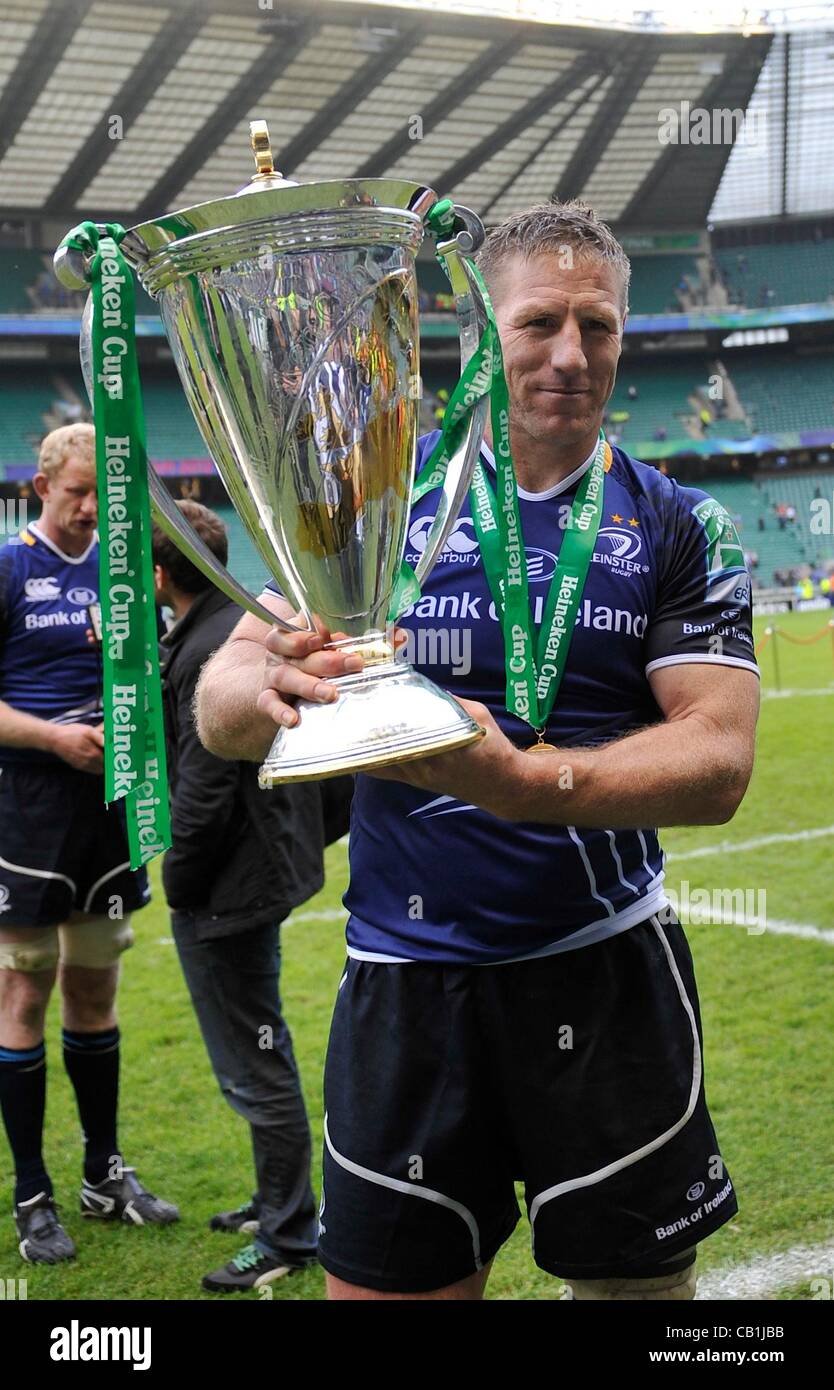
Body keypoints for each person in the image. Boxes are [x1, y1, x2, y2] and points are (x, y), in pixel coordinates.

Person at [195, 200, 760, 1302]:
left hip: (606, 976)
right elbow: (221, 704)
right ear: (477, 337)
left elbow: (719, 759)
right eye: (538, 322)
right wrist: (259, 681)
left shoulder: (684, 524)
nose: (569, 353)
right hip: (408, 989)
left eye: (597, 326)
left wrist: (516, 782)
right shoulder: (369, 495)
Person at [0, 424, 178, 1266]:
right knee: (26, 993)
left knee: (96, 994)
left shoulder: (122, 573)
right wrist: (49, 737)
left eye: (99, 497)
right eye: (74, 493)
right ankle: (31, 1190)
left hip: (106, 809)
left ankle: (103, 1172)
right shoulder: (8, 568)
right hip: (27, 807)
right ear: (41, 488)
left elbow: (152, 680)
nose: (87, 510)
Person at [152, 502, 332, 1293]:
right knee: (262, 1052)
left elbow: (203, 793)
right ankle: (277, 1202)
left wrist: (179, 886)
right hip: (261, 871)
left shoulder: (210, 647)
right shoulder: (236, 620)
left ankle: (290, 1233)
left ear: (159, 575)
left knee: (256, 1064)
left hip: (229, 886)